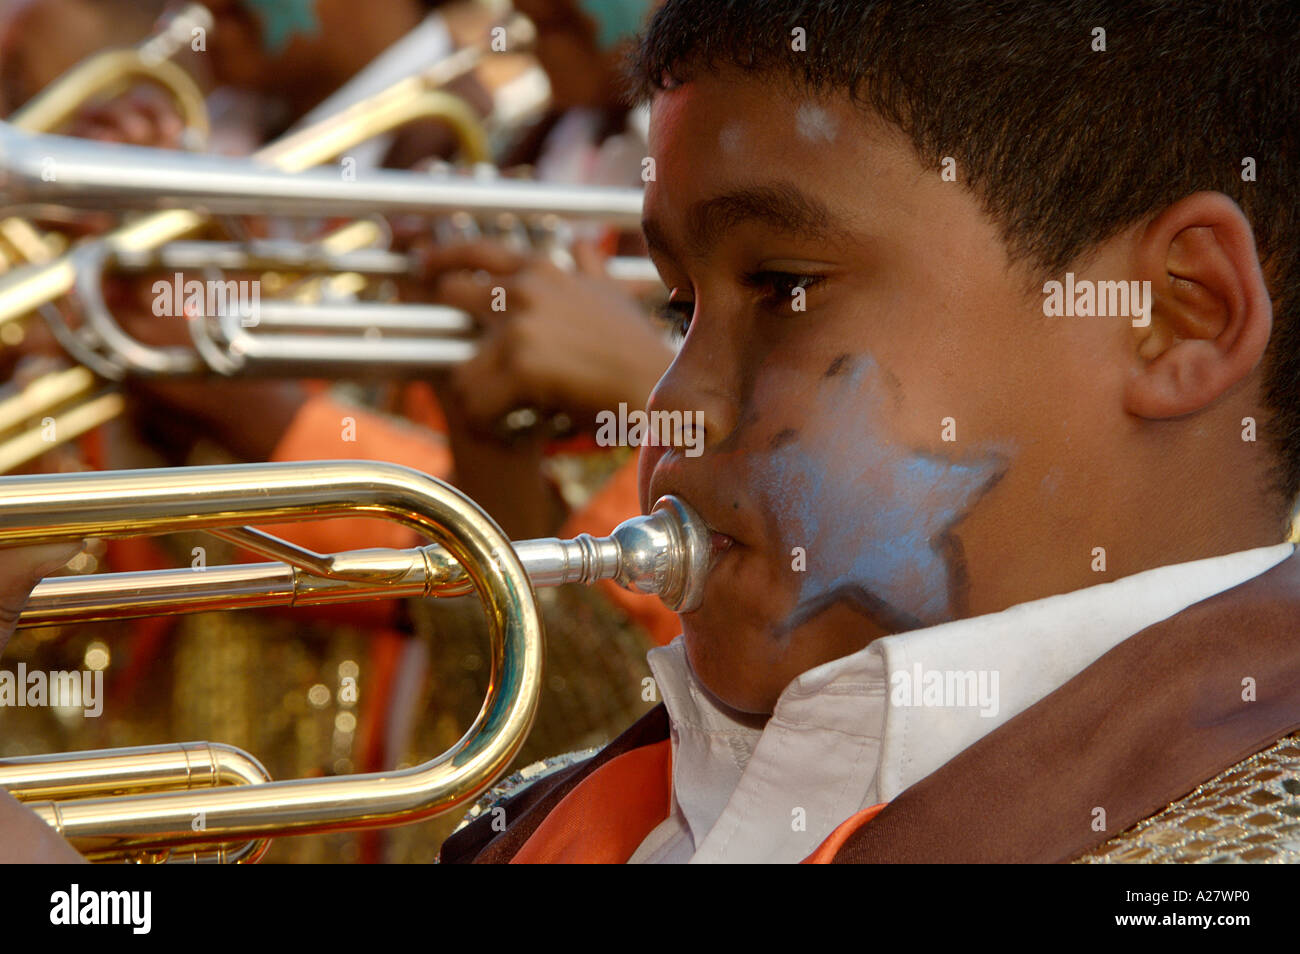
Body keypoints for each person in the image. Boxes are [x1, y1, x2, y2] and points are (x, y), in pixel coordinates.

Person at [439, 0, 1300, 863]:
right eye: (678, 308)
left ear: (1178, 317)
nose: (665, 407)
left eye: (785, 288)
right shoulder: (572, 811)